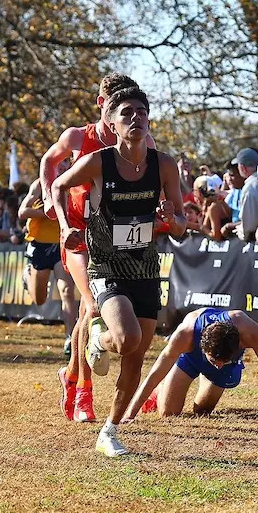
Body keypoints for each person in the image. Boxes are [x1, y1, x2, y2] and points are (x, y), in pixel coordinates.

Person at [51, 86, 186, 457]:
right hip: (107, 265)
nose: (135, 118)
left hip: (145, 267)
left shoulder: (164, 165)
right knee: (126, 339)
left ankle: (109, 431)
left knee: (136, 354)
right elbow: (59, 185)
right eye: (126, 113)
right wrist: (65, 225)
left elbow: (180, 225)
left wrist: (171, 218)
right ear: (111, 123)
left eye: (141, 111)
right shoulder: (99, 162)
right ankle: (97, 340)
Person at [41, 73, 153, 424]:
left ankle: (71, 377)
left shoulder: (141, 139)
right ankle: (84, 394)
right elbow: (49, 162)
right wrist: (51, 201)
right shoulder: (78, 136)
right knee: (92, 306)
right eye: (113, 104)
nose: (124, 112)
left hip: (115, 237)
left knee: (92, 315)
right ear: (102, 104)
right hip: (79, 234)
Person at [123, 308, 258, 420]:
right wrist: (130, 414)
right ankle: (161, 390)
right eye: (214, 361)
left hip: (225, 362)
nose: (218, 365)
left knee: (202, 412)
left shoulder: (251, 332)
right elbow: (155, 373)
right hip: (191, 358)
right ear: (202, 347)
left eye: (223, 361)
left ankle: (213, 373)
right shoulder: (185, 335)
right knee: (168, 413)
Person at [18, 174, 77, 355]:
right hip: (40, 246)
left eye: (66, 162)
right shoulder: (39, 185)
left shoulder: (75, 181)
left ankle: (70, 338)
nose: (63, 167)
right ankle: (27, 276)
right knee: (40, 299)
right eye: (59, 163)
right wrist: (47, 213)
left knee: (67, 290)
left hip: (62, 244)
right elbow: (22, 212)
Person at [223, 147, 258, 241]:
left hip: (256, 241)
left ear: (242, 168)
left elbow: (249, 227)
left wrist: (239, 230)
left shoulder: (250, 187)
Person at [192, 176, 231, 241]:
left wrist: (203, 228)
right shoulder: (210, 205)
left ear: (199, 193)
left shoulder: (214, 207)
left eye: (194, 191)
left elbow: (217, 236)